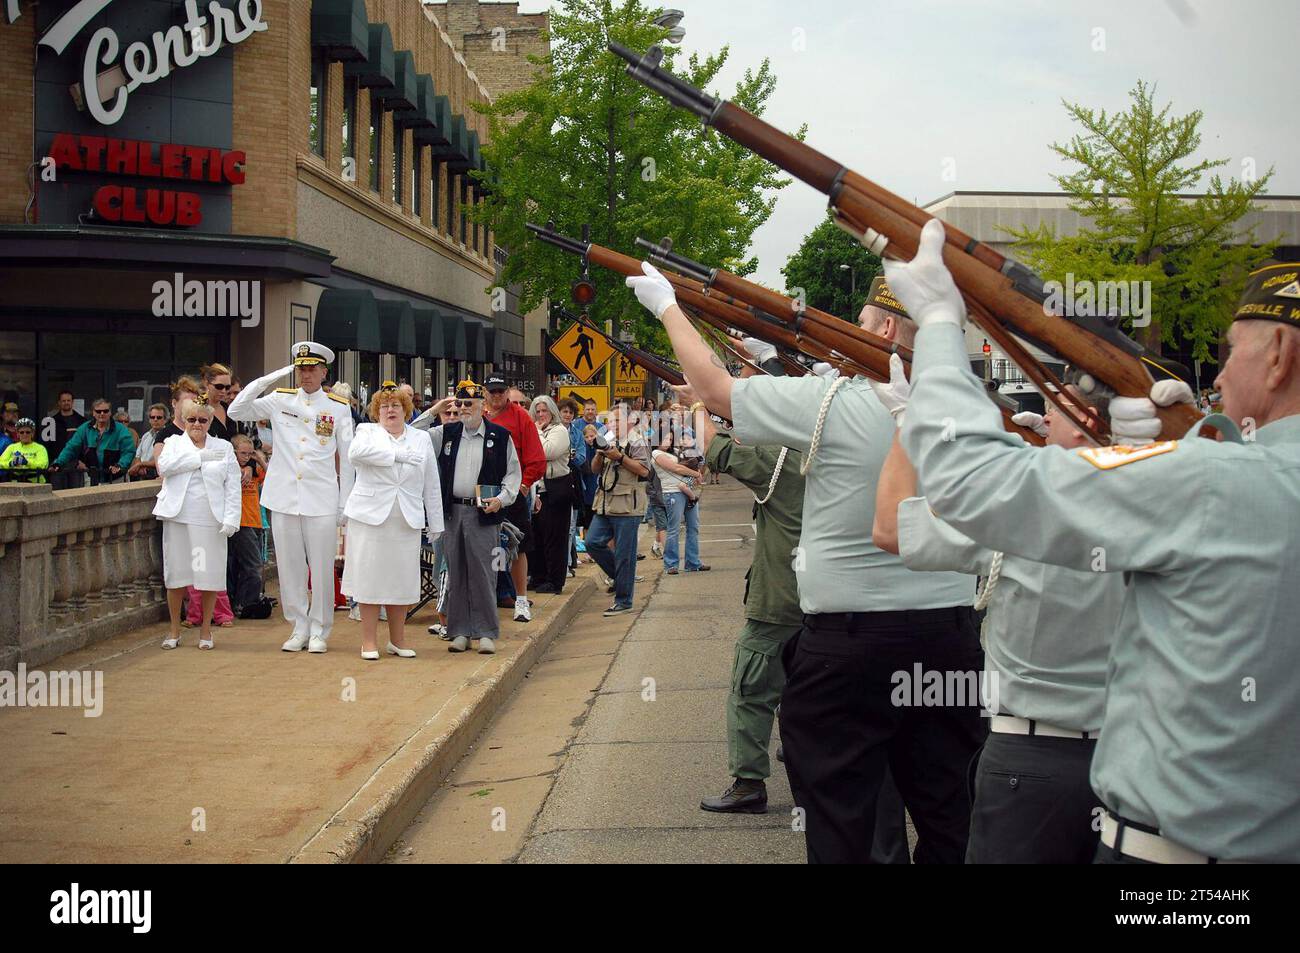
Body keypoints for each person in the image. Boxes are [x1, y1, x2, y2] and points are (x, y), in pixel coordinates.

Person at [890, 226, 1300, 863]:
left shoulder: (1214, 481)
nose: (1221, 369)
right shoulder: (1225, 474)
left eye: (1231, 350)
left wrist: (941, 326)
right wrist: (1181, 451)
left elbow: (969, 483)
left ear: (1277, 354)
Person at [627, 262, 983, 864]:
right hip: (948, 638)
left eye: (863, 322)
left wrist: (667, 308)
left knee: (843, 826)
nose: (852, 330)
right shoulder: (974, 405)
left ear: (890, 332)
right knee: (951, 820)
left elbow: (714, 392)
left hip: (849, 649)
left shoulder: (833, 400)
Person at [873, 368, 1127, 863]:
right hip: (1136, 759)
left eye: (1058, 408)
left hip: (1035, 759)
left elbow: (889, 526)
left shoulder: (1022, 503)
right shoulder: (1167, 500)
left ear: (1087, 422)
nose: (1046, 416)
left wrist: (906, 423)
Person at [227, 342, 355, 654]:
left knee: (322, 568)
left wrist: (344, 503)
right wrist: (271, 377)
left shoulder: (338, 407)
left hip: (321, 497)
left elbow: (348, 458)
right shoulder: (278, 399)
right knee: (289, 566)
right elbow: (236, 409)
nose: (306, 374)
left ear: (324, 372)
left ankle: (320, 630)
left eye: (312, 368)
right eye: (301, 368)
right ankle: (299, 626)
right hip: (284, 496)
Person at [343, 382, 444, 661]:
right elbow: (355, 454)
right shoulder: (367, 432)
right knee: (370, 579)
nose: (390, 410)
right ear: (377, 411)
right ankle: (368, 641)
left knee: (401, 580)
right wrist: (397, 455)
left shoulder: (420, 438)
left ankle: (397, 641)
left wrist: (435, 522)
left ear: (406, 409)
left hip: (406, 518)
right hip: (370, 518)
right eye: (385, 406)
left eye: (396, 405)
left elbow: (431, 483)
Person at [427, 380, 521, 654]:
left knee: (483, 573)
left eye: (469, 404)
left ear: (483, 406)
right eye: (459, 403)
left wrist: (501, 499)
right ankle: (459, 631)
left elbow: (513, 474)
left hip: (483, 513)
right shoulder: (446, 432)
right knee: (455, 573)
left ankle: (486, 632)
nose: (463, 409)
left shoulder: (500, 436)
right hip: (452, 511)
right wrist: (436, 409)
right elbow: (411, 434)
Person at [152, 397, 241, 650]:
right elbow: (164, 467)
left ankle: (206, 631)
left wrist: (232, 518)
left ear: (210, 421)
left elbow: (232, 486)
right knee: (176, 574)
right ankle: (174, 630)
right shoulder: (172, 443)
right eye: (192, 419)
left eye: (203, 420)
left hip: (209, 518)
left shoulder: (223, 447)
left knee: (208, 574)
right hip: (177, 515)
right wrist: (200, 458)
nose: (197, 424)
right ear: (183, 420)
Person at [482, 375, 545, 623]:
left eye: (500, 391)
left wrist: (523, 485)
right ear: (485, 393)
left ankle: (520, 599)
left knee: (517, 546)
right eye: (492, 391)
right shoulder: (480, 415)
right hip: (485, 492)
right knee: (490, 546)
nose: (496, 395)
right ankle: (498, 595)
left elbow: (536, 458)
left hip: (513, 491)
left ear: (507, 392)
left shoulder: (520, 417)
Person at [586, 402, 651, 617]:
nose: (612, 424)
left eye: (617, 420)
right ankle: (623, 579)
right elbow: (594, 470)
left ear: (630, 421)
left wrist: (620, 457)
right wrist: (599, 454)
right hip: (605, 502)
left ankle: (623, 600)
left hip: (627, 505)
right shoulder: (609, 440)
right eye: (610, 421)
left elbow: (644, 470)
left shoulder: (637, 441)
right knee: (592, 542)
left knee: (625, 554)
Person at [528, 395, 575, 595]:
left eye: (544, 411)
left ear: (552, 411)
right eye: (537, 411)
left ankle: (555, 581)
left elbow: (546, 451)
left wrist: (536, 431)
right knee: (536, 537)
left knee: (555, 537)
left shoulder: (559, 430)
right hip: (536, 490)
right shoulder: (536, 431)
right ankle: (538, 577)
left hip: (556, 489)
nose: (540, 415)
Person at [652, 422, 708, 574]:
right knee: (673, 529)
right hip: (672, 492)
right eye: (664, 439)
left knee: (693, 527)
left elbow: (691, 458)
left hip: (687, 489)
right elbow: (675, 468)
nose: (668, 442)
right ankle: (671, 564)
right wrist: (696, 474)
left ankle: (693, 562)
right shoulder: (656, 454)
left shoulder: (675, 451)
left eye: (670, 439)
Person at [49, 398, 135, 485]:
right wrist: (58, 463)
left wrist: (120, 465)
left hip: (117, 479)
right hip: (92, 479)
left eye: (105, 411)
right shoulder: (85, 428)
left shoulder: (121, 429)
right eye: (98, 411)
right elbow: (71, 448)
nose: (102, 414)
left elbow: (129, 451)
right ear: (93, 413)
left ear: (110, 413)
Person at [229, 434, 268, 617]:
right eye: (243, 453)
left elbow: (270, 476)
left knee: (246, 565)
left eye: (249, 453)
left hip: (255, 521)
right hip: (241, 522)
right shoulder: (232, 469)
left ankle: (242, 601)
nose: (246, 457)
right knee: (253, 564)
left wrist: (257, 458)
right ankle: (246, 603)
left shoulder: (252, 469)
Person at [557, 398, 588, 575]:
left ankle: (567, 564)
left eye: (570, 412)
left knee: (571, 526)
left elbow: (581, 457)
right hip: (555, 482)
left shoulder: (577, 433)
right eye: (564, 412)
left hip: (574, 482)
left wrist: (570, 458)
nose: (568, 415)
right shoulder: (552, 430)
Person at [44, 390, 85, 490]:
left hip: (76, 465)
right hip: (57, 464)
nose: (66, 403)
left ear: (72, 402)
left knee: (76, 496)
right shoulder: (51, 422)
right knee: (57, 495)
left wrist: (83, 461)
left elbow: (86, 444)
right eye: (63, 401)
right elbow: (46, 445)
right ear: (59, 403)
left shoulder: (82, 421)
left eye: (68, 400)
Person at [128, 403, 170, 480]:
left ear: (165, 419)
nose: (155, 419)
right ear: (149, 419)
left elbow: (161, 460)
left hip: (157, 476)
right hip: (142, 474)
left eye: (159, 417)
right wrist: (139, 466)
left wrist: (141, 465)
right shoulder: (146, 436)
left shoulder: (169, 437)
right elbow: (138, 455)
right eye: (152, 417)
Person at [200, 363, 237, 441]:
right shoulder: (197, 407)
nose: (223, 391)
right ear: (207, 384)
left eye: (227, 387)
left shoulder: (229, 408)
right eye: (219, 387)